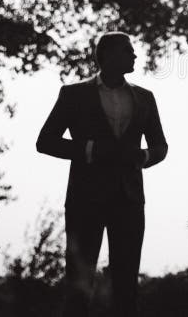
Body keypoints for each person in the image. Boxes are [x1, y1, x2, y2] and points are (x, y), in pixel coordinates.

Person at [37, 31, 167, 317]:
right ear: (106, 55)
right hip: (85, 199)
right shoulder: (73, 94)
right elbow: (45, 141)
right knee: (79, 285)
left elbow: (161, 146)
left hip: (130, 200)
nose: (134, 55)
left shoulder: (146, 97)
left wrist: (145, 156)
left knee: (127, 285)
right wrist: (91, 150)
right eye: (128, 50)